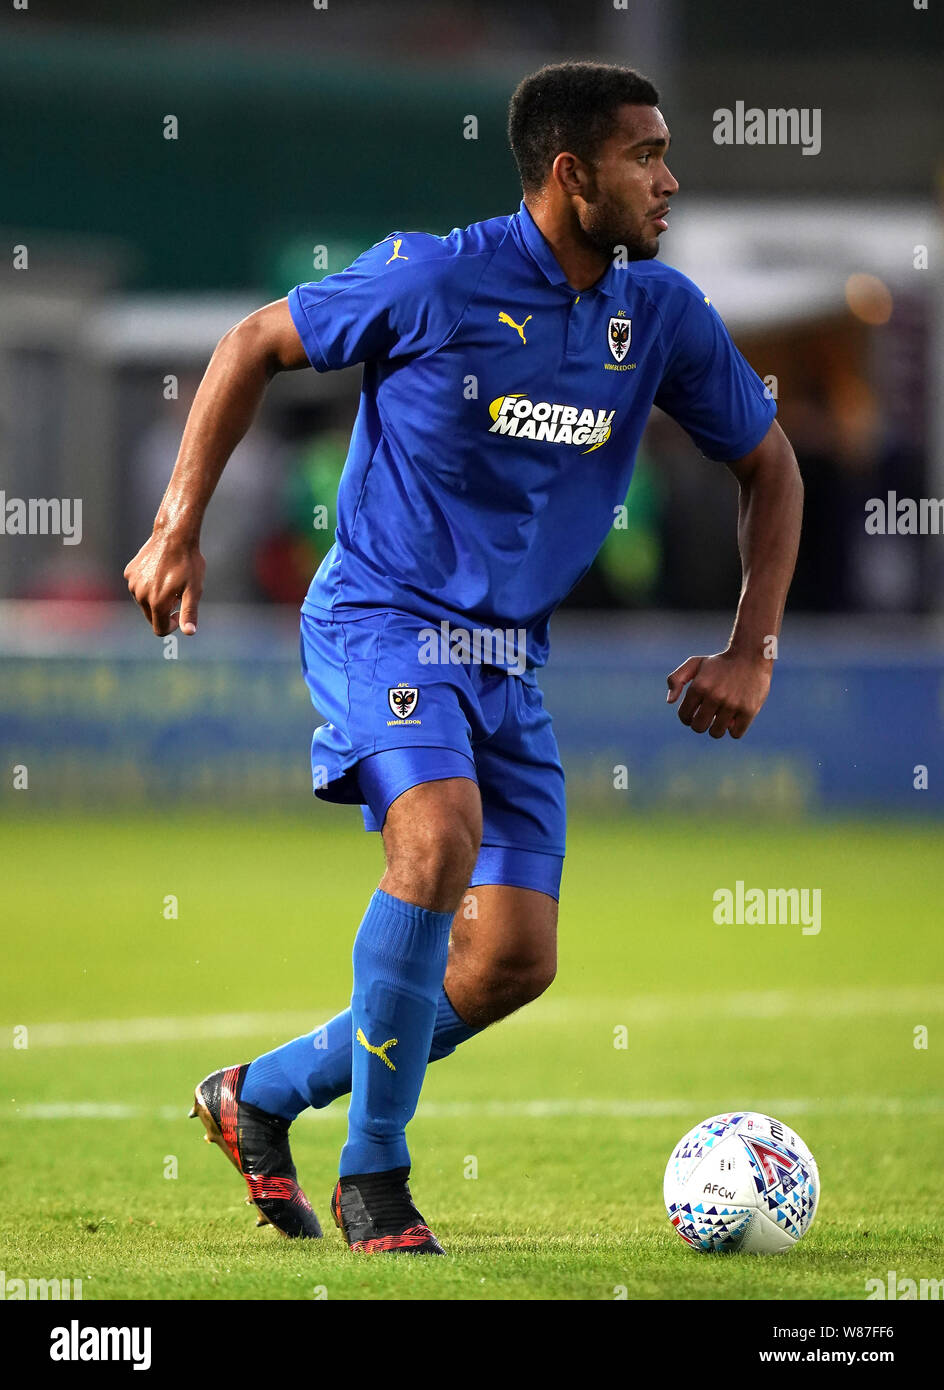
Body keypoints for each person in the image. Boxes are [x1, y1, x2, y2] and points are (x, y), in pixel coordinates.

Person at [124, 61, 803, 1254]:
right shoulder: (436, 274)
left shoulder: (661, 316)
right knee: (433, 837)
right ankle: (373, 1180)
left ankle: (258, 1096)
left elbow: (770, 465)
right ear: (568, 173)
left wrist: (751, 645)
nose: (668, 179)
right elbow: (250, 343)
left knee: (508, 963)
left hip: (505, 657)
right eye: (644, 156)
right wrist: (177, 528)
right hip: (380, 616)